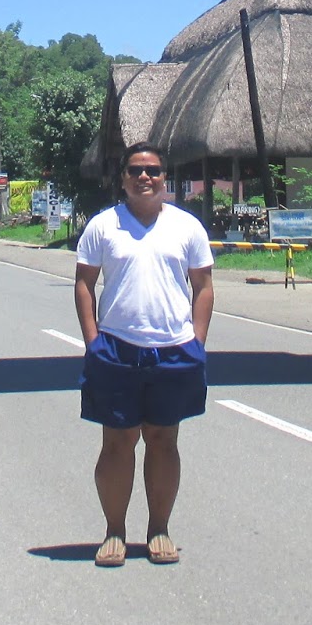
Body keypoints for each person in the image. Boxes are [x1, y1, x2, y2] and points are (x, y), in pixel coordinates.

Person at [74, 141, 214, 568]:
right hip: (116, 349)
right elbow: (84, 284)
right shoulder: (103, 226)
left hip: (174, 349)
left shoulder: (187, 227)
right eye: (135, 170)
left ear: (164, 177)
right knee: (117, 443)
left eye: (152, 170)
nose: (144, 177)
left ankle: (159, 529)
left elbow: (203, 287)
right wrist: (93, 342)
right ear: (123, 178)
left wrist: (197, 342)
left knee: (163, 440)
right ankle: (114, 531)